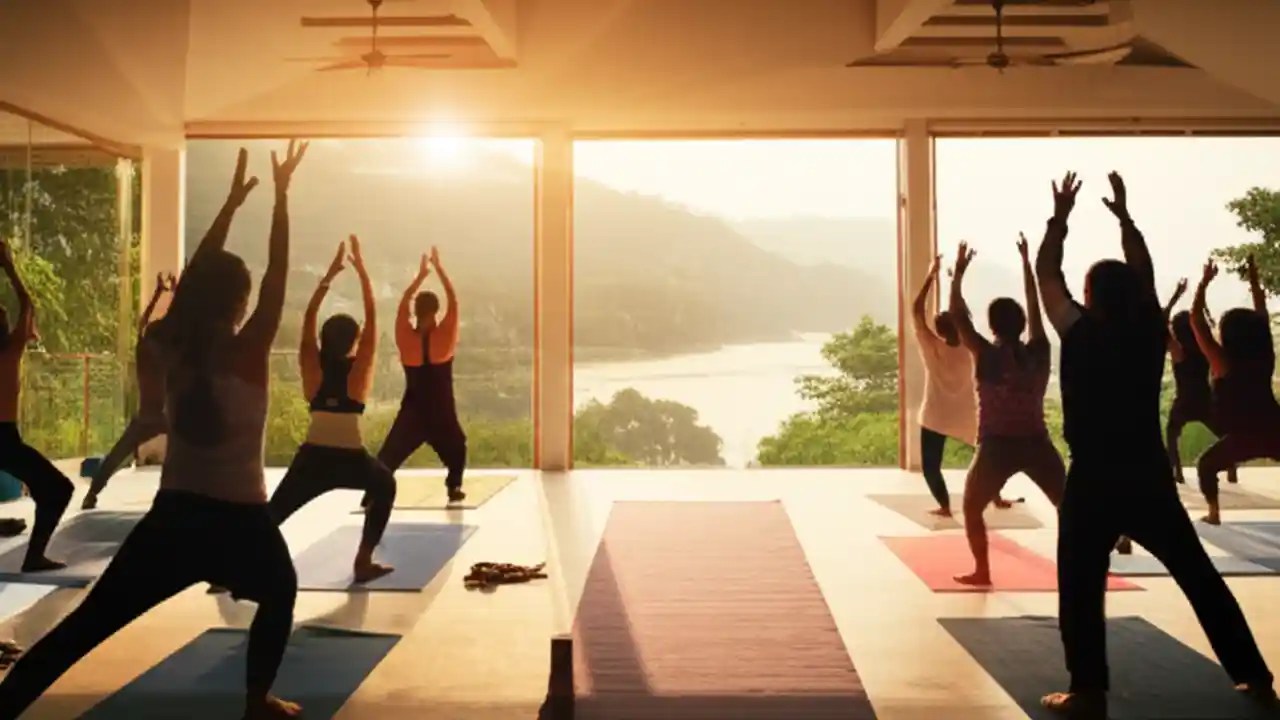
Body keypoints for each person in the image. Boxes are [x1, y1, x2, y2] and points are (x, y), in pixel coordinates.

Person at [0, 142, 310, 720]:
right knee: (281, 590)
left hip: (173, 518)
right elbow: (279, 273)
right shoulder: (250, 348)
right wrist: (281, 198)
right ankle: (254, 700)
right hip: (241, 520)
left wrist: (229, 207)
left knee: (88, 625)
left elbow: (201, 280)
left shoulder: (168, 345)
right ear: (240, 303)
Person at [1036, 171, 1272, 717]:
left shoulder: (1077, 331)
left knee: (1079, 582)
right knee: (1198, 576)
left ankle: (1088, 690)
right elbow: (1144, 273)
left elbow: (1047, 272)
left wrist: (1061, 216)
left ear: (1089, 296)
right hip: (1146, 474)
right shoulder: (1147, 329)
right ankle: (1253, 673)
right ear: (1135, 298)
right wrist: (1124, 218)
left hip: (1094, 476)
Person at [267, 234, 396, 583]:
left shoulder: (313, 369)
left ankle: (231, 569)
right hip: (351, 459)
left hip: (313, 459)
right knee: (384, 485)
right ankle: (363, 561)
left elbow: (307, 318)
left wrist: (329, 275)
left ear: (324, 340)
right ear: (355, 341)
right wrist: (362, 270)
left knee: (273, 514)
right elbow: (373, 317)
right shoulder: (359, 372)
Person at [948, 233, 1065, 586]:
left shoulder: (986, 354)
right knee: (1070, 508)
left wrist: (958, 274)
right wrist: (1027, 266)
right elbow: (1037, 310)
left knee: (971, 508)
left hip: (997, 446)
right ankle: (1080, 567)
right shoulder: (1039, 351)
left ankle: (983, 571)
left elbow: (956, 315)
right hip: (1036, 443)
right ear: (1022, 325)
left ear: (993, 325)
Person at [910, 256, 1017, 516]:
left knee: (931, 466)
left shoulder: (931, 346)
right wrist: (955, 278)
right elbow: (962, 315)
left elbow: (916, 310)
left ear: (938, 330)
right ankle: (996, 496)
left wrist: (930, 276)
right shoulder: (972, 349)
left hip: (935, 415)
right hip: (968, 414)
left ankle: (945, 506)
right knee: (987, 458)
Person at [367, 245, 466, 505]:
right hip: (442, 411)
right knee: (458, 447)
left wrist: (420, 276)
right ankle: (453, 487)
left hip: (413, 410)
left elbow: (402, 306)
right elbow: (453, 301)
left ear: (417, 311)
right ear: (435, 312)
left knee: (389, 455)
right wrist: (439, 269)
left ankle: (371, 495)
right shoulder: (444, 338)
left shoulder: (405, 337)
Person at [0, 239, 73, 572]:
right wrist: (8, 266)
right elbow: (28, 303)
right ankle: (33, 558)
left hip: (6, 438)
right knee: (59, 489)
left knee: (52, 489)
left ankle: (33, 555)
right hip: (3, 439)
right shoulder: (9, 351)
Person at [1191, 254, 1280, 525]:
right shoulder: (1264, 355)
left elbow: (1196, 320)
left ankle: (1214, 513)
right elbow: (1261, 314)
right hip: (1275, 425)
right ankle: (1214, 512)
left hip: (1245, 435)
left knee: (1205, 465)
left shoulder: (1224, 363)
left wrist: (1203, 284)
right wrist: (1254, 280)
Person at [82, 272, 177, 510]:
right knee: (190, 451)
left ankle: (92, 493)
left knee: (117, 455)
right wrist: (174, 292)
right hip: (165, 415)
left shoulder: (145, 350)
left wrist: (159, 293)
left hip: (149, 416)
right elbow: (169, 321)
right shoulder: (165, 353)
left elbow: (143, 324)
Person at [1167, 301, 1239, 487]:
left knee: (1171, 435)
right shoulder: (1203, 350)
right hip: (1204, 399)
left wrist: (1173, 298)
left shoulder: (1178, 351)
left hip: (1184, 401)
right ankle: (1231, 466)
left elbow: (1162, 328)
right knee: (1223, 433)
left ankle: (1178, 472)